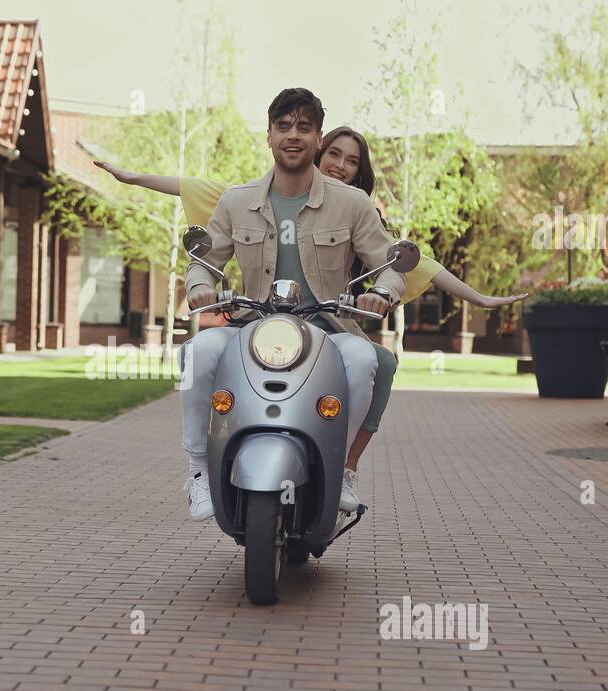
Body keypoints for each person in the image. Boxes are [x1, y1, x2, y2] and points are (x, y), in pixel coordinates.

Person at [96, 122, 528, 516]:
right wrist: (132, 178)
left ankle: (344, 467)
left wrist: (478, 298)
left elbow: (415, 264)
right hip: (258, 321)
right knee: (198, 354)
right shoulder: (254, 198)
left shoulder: (359, 210)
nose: (340, 166)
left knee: (376, 361)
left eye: (352, 161)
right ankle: (201, 470)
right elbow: (194, 189)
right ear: (316, 152)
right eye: (334, 155)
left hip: (329, 324)